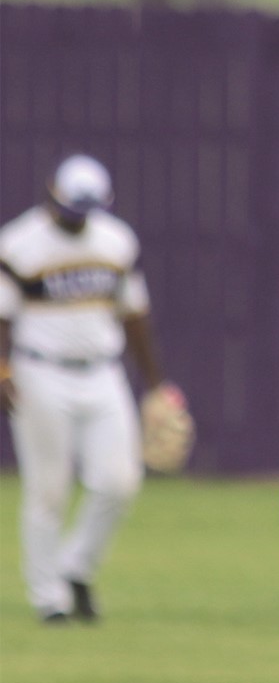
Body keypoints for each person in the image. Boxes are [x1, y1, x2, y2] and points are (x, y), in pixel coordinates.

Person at [1, 154, 176, 625]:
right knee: (48, 488)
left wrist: (157, 385)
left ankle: (75, 566)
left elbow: (134, 314)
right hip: (40, 371)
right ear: (52, 196)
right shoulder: (19, 243)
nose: (75, 218)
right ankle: (48, 598)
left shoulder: (115, 240)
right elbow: (2, 315)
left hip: (102, 370)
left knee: (119, 481)